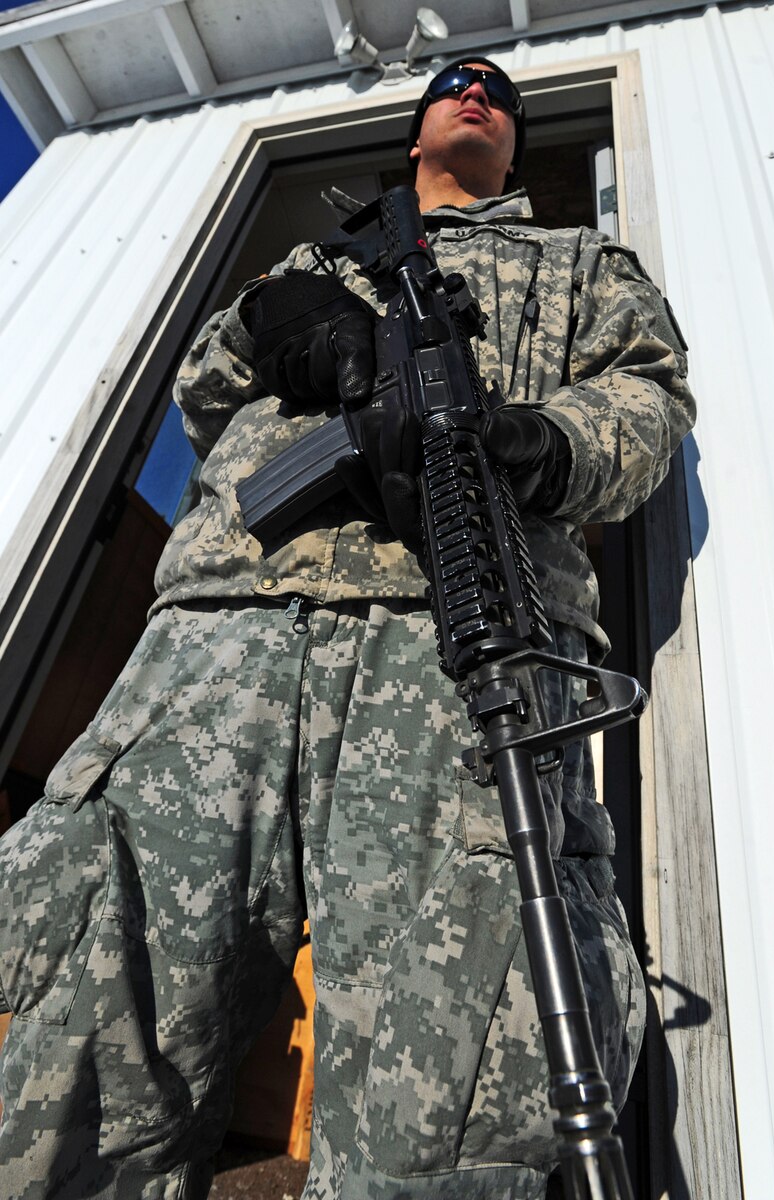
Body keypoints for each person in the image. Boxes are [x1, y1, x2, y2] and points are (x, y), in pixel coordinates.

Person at [0, 56, 694, 1200]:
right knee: (97, 984)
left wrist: (533, 443)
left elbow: (645, 401)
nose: (477, 95)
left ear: (516, 148)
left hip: (453, 635)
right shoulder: (310, 260)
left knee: (465, 1030)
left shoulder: (580, 264)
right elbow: (206, 384)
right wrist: (281, 316)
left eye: (500, 97)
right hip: (228, 626)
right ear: (416, 130)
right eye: (451, 86)